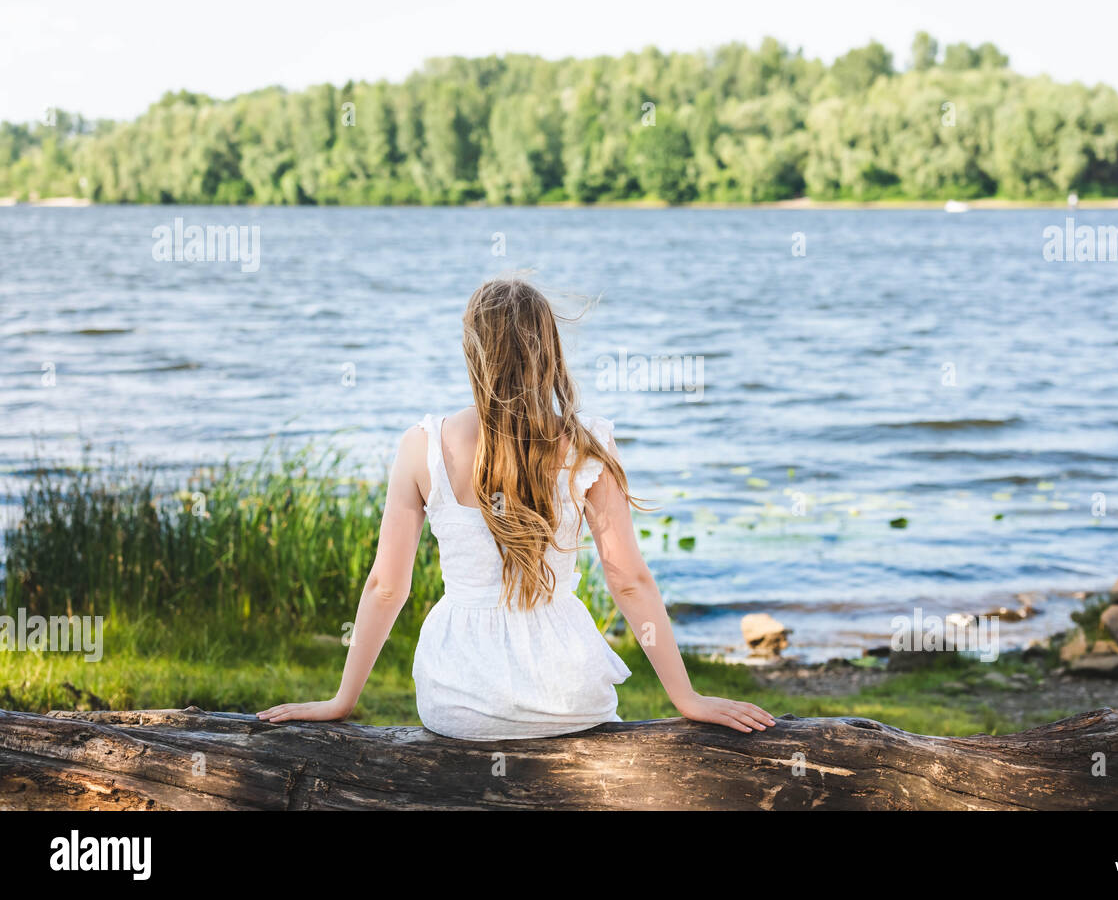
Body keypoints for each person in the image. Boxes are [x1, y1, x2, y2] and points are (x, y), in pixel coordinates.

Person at [258, 279, 775, 739]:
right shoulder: (587, 443)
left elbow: (386, 587)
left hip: (458, 697)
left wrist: (342, 701)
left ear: (471, 351)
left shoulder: (423, 445)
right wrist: (687, 699)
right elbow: (629, 581)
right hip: (565, 697)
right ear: (549, 349)